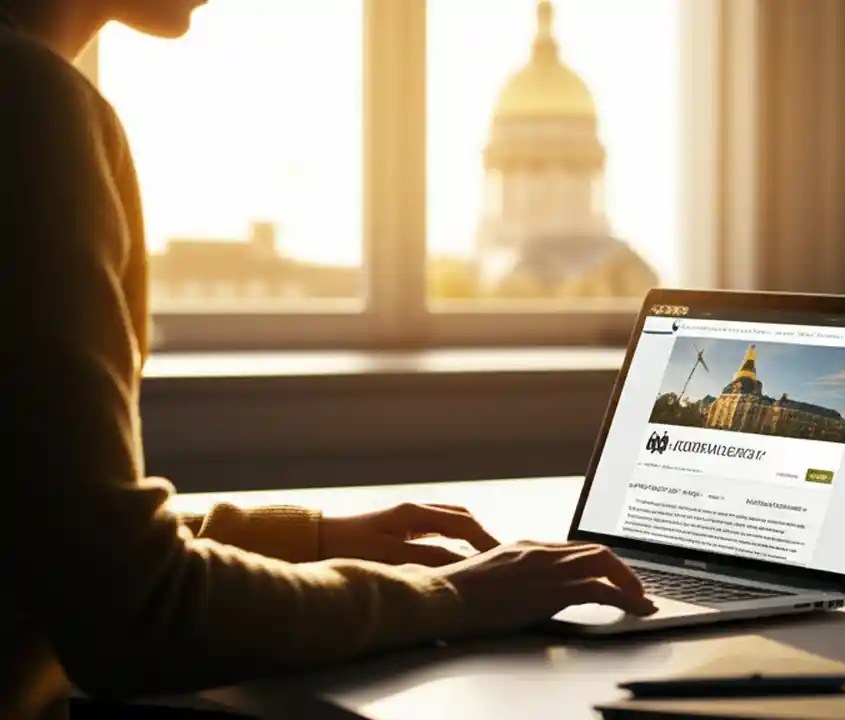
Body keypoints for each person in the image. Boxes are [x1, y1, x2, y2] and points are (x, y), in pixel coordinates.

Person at [0, 0, 656, 715]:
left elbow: (52, 537)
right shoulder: (27, 104)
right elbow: (132, 612)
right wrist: (453, 595)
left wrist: (307, 539)